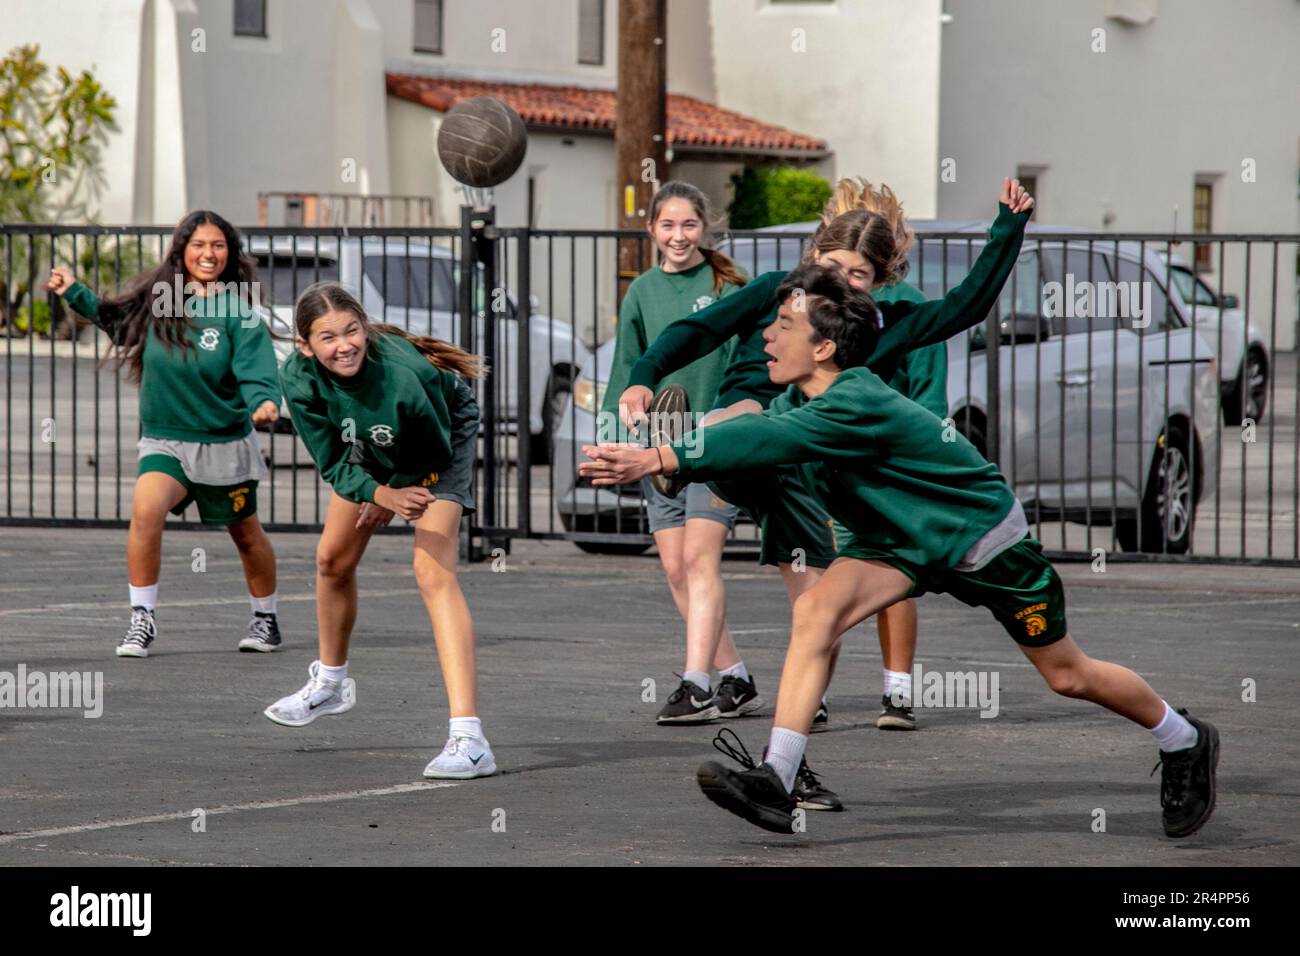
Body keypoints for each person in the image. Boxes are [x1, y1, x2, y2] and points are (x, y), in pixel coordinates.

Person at [581, 264, 1220, 839]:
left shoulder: (854, 399)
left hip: (977, 539)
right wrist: (680, 447)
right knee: (814, 615)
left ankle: (1183, 739)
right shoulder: (798, 399)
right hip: (895, 542)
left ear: (824, 346)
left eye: (781, 326)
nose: (766, 338)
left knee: (1067, 675)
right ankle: (778, 778)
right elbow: (756, 427)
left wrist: (663, 455)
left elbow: (764, 439)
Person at [621, 178, 1035, 736]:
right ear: (814, 257)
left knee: (815, 608)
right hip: (746, 442)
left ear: (878, 282)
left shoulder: (880, 327)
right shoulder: (775, 291)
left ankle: (799, 732)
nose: (843, 283)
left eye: (859, 276)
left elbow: (967, 306)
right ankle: (688, 452)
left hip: (809, 470)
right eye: (835, 268)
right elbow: (698, 329)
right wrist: (643, 378)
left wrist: (1007, 229)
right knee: (747, 415)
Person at [263, 282, 495, 781]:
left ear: (365, 328)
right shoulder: (298, 378)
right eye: (327, 337)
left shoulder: (405, 375)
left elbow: (431, 453)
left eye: (352, 330)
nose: (343, 344)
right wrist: (379, 493)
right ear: (305, 346)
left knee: (431, 573)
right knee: (332, 561)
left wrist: (391, 494)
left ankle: (470, 738)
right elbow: (332, 461)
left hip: (440, 437)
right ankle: (331, 683)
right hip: (372, 438)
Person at [46, 210, 285, 657]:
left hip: (224, 444)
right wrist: (73, 291)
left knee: (246, 534)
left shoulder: (238, 312)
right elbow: (115, 322)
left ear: (230, 253)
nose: (208, 254)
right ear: (182, 251)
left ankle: (265, 618)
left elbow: (256, 369)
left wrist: (263, 401)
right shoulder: (161, 301)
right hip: (165, 439)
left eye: (217, 245)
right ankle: (142, 619)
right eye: (198, 245)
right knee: (145, 511)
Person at [601, 181, 755, 725]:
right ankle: (736, 676)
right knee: (674, 568)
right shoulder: (641, 290)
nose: (678, 235)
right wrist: (613, 434)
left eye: (689, 224)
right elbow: (626, 366)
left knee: (698, 559)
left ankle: (697, 684)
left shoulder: (731, 284)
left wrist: (737, 422)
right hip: (655, 448)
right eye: (667, 225)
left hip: (713, 444)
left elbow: (753, 365)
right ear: (651, 230)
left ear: (704, 228)